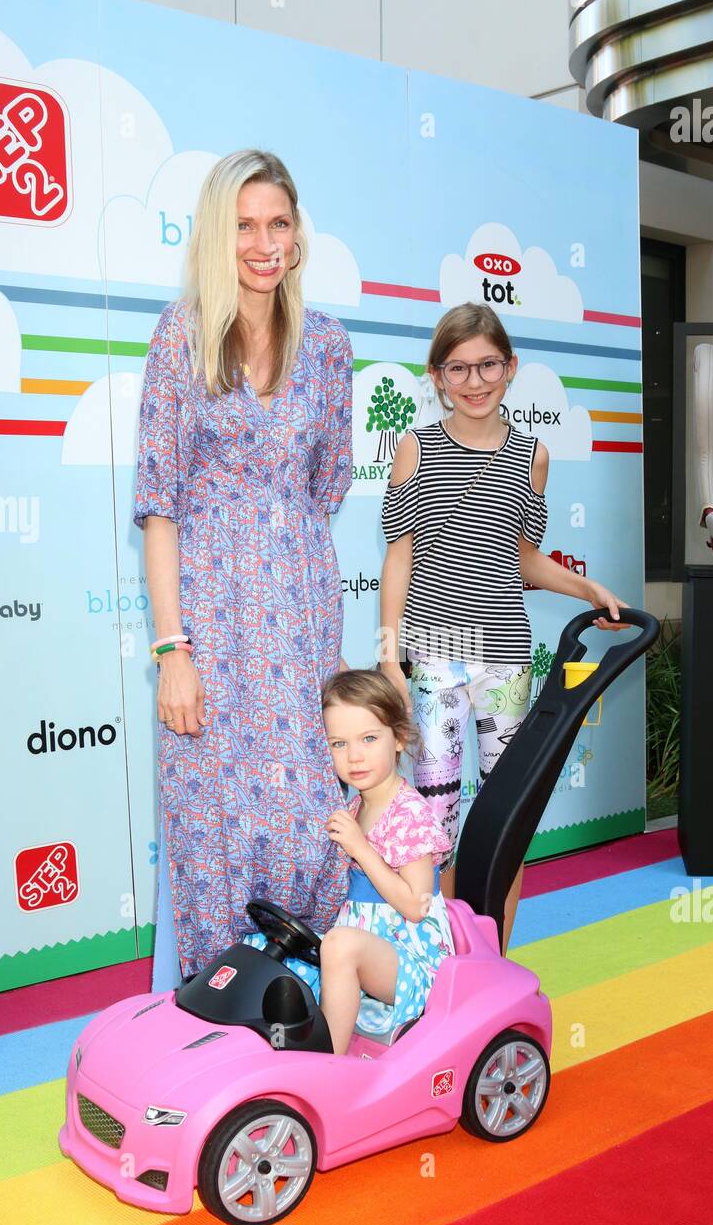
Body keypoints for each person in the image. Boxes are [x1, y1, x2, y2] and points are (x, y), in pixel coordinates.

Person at [133, 149, 353, 978]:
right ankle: (213, 1006)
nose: (264, 244)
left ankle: (303, 998)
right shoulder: (179, 338)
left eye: (279, 224)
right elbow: (159, 506)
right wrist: (172, 651)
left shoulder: (329, 346)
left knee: (305, 807)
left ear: (298, 236)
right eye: (245, 226)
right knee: (213, 819)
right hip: (209, 622)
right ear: (216, 237)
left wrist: (276, 545)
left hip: (300, 616)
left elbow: (326, 485)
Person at [379, 301, 630, 955]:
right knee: (434, 826)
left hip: (505, 661)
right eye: (457, 368)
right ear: (437, 376)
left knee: (504, 819)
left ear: (510, 367)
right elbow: (399, 553)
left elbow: (522, 559)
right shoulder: (416, 446)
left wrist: (586, 586)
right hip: (433, 659)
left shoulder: (533, 456)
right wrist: (388, 658)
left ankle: (491, 960)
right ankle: (435, 967)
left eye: (487, 364)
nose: (474, 380)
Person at [248, 670, 454, 1055]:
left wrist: (361, 848)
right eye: (338, 743)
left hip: (415, 962)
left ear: (400, 737)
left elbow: (416, 905)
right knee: (267, 945)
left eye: (369, 739)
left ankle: (329, 1063)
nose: (354, 756)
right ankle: (270, 1048)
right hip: (366, 943)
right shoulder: (355, 804)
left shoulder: (410, 813)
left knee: (340, 945)